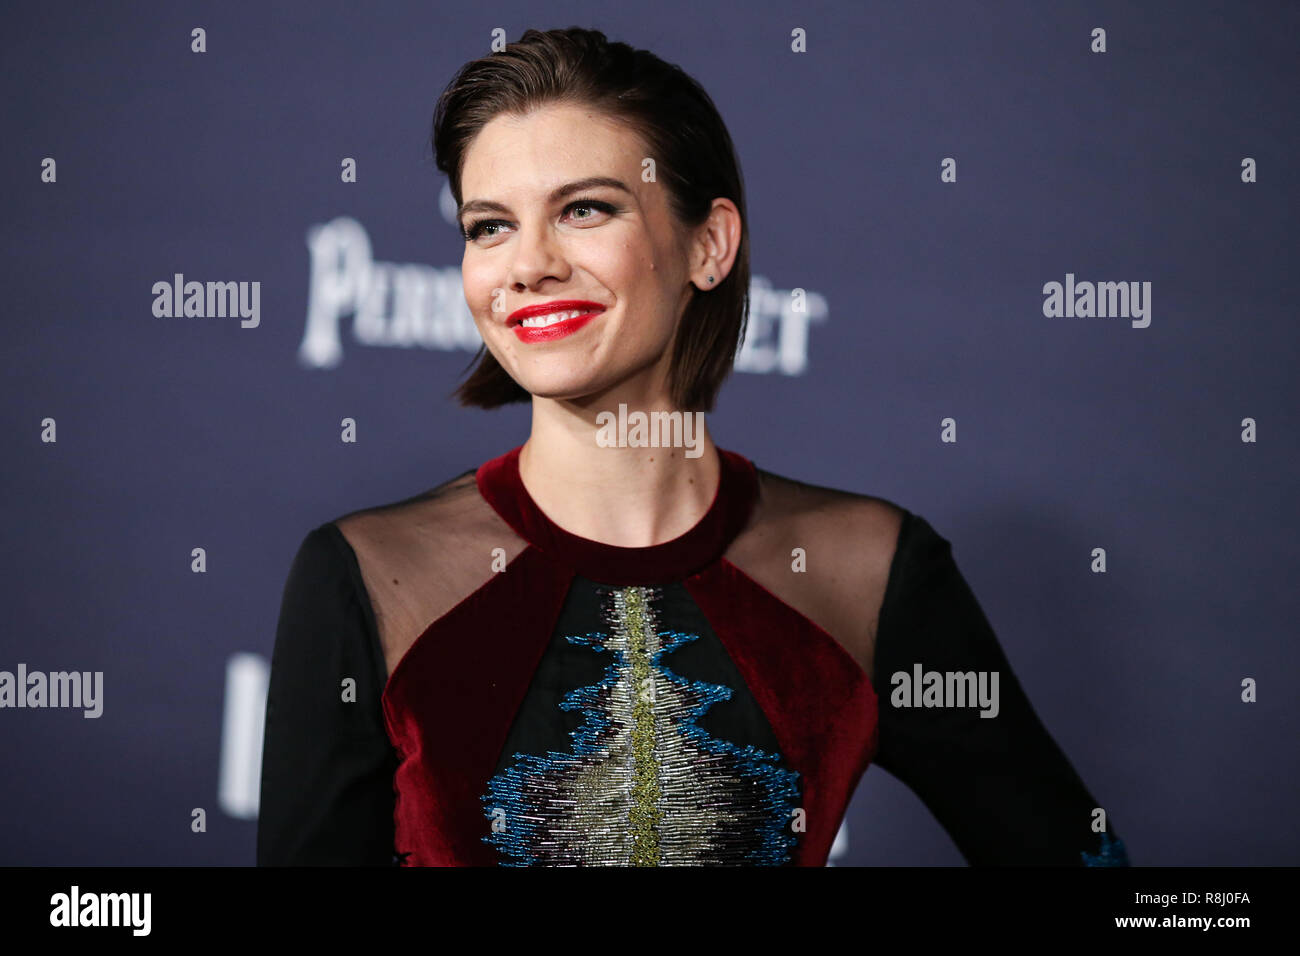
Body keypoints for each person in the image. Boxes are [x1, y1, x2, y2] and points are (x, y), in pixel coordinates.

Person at [256, 26, 1129, 867]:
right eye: (489, 226)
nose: (527, 265)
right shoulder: (370, 575)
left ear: (708, 245)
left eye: (585, 209)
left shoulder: (867, 568)